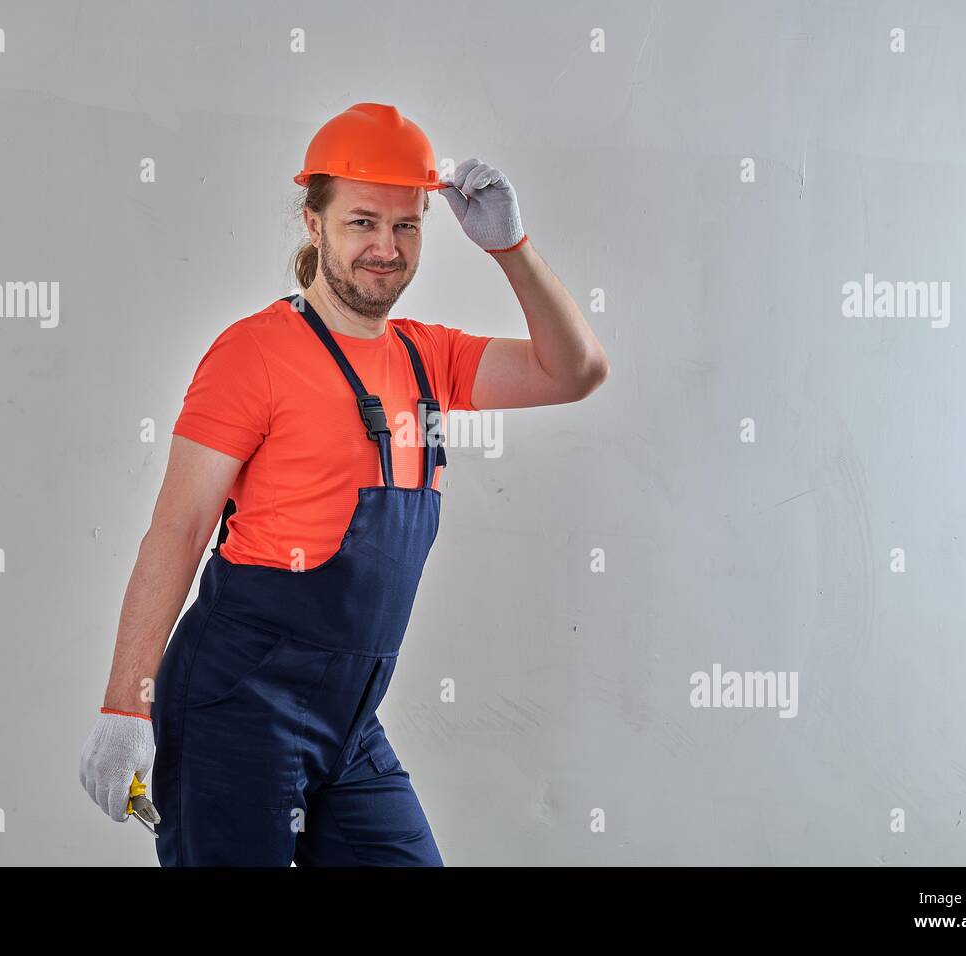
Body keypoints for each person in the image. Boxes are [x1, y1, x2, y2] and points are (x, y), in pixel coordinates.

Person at [79, 102, 609, 866]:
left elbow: (578, 371)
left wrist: (512, 249)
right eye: (362, 222)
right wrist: (125, 705)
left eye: (406, 226)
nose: (385, 249)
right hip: (239, 706)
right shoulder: (252, 354)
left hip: (351, 719)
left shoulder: (430, 358)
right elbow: (179, 529)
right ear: (314, 222)